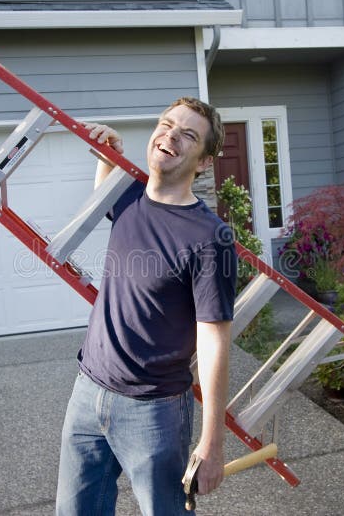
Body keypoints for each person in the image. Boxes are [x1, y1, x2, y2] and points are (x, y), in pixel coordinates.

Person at [55, 97, 237, 515]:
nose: (171, 136)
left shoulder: (210, 238)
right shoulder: (129, 196)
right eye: (167, 125)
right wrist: (109, 154)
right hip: (88, 391)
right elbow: (104, 194)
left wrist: (212, 441)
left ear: (204, 162)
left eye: (188, 135)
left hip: (154, 412)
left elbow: (213, 341)